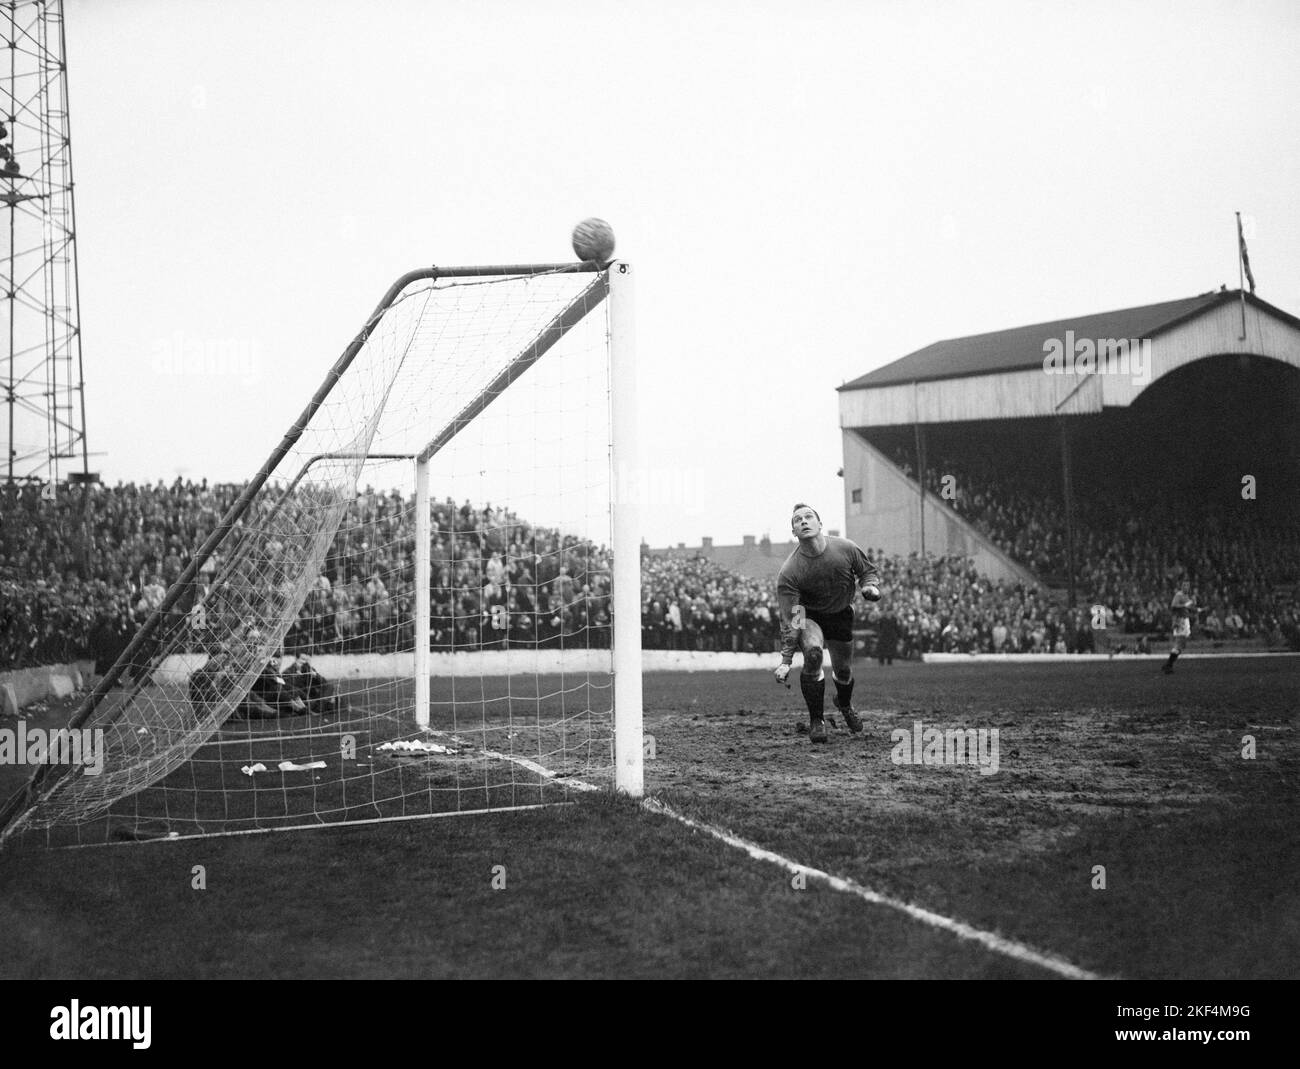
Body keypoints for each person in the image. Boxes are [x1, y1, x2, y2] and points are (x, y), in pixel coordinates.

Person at [773, 503, 881, 744]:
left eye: (809, 517)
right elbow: (793, 616)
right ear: (794, 533)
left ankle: (843, 704)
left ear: (820, 524)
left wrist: (869, 587)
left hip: (841, 613)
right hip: (810, 616)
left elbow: (867, 571)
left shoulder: (846, 548)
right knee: (813, 655)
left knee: (843, 671)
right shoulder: (790, 571)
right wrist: (786, 660)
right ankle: (817, 721)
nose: (803, 521)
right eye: (797, 520)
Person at [1162, 587, 1195, 674]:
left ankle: (1168, 664)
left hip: (1182, 623)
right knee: (1178, 646)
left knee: (1179, 647)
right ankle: (1168, 665)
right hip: (1181, 623)